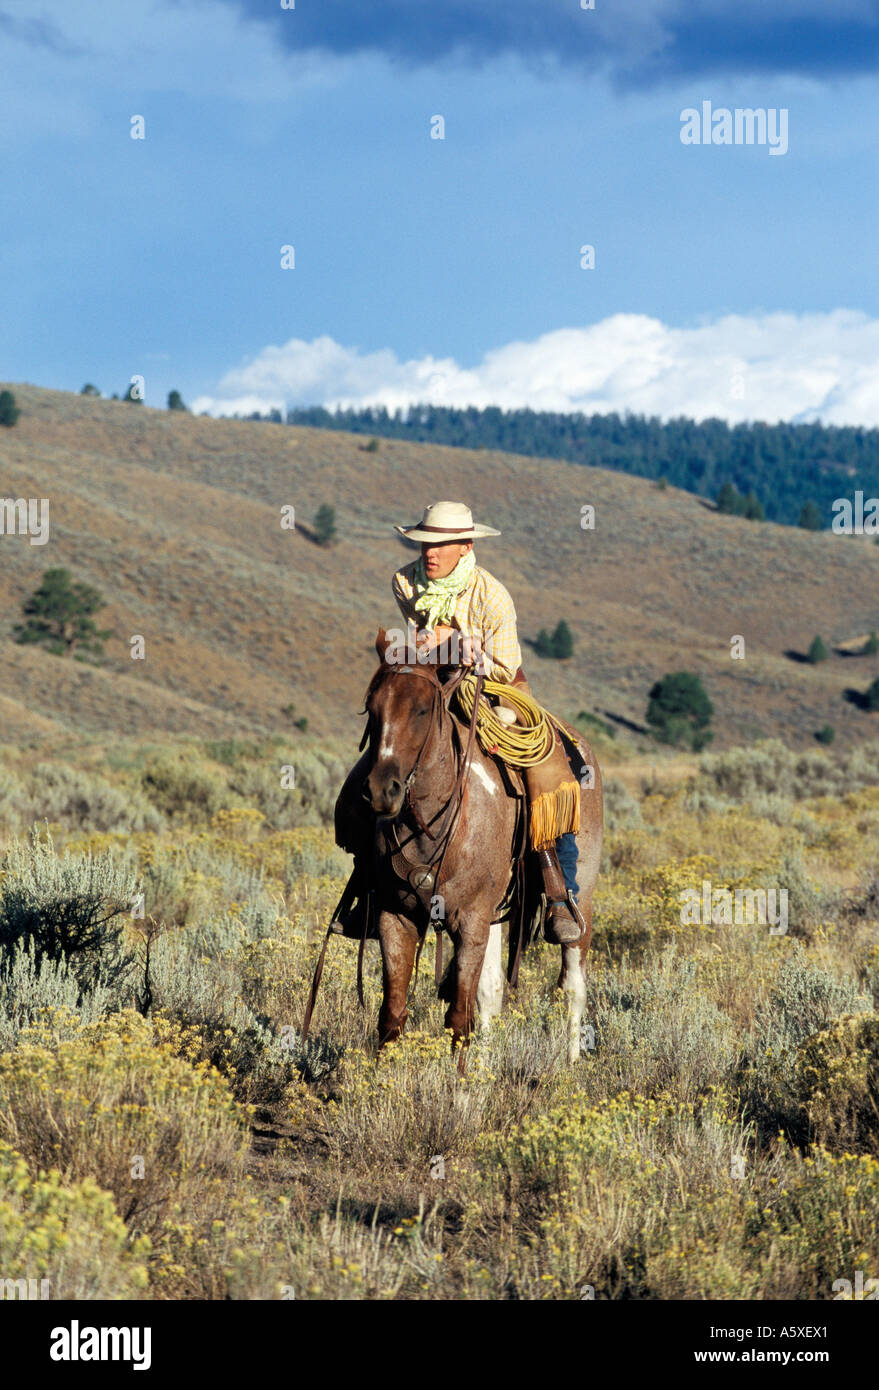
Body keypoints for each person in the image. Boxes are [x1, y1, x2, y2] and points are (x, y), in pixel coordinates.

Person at [335, 500, 585, 944]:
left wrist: (456, 642)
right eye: (425, 542)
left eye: (442, 544)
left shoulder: (492, 594)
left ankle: (557, 892)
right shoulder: (405, 582)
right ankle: (369, 888)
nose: (429, 552)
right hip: (433, 685)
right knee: (371, 771)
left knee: (541, 771)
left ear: (466, 546)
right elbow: (412, 647)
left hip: (496, 687)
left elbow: (506, 666)